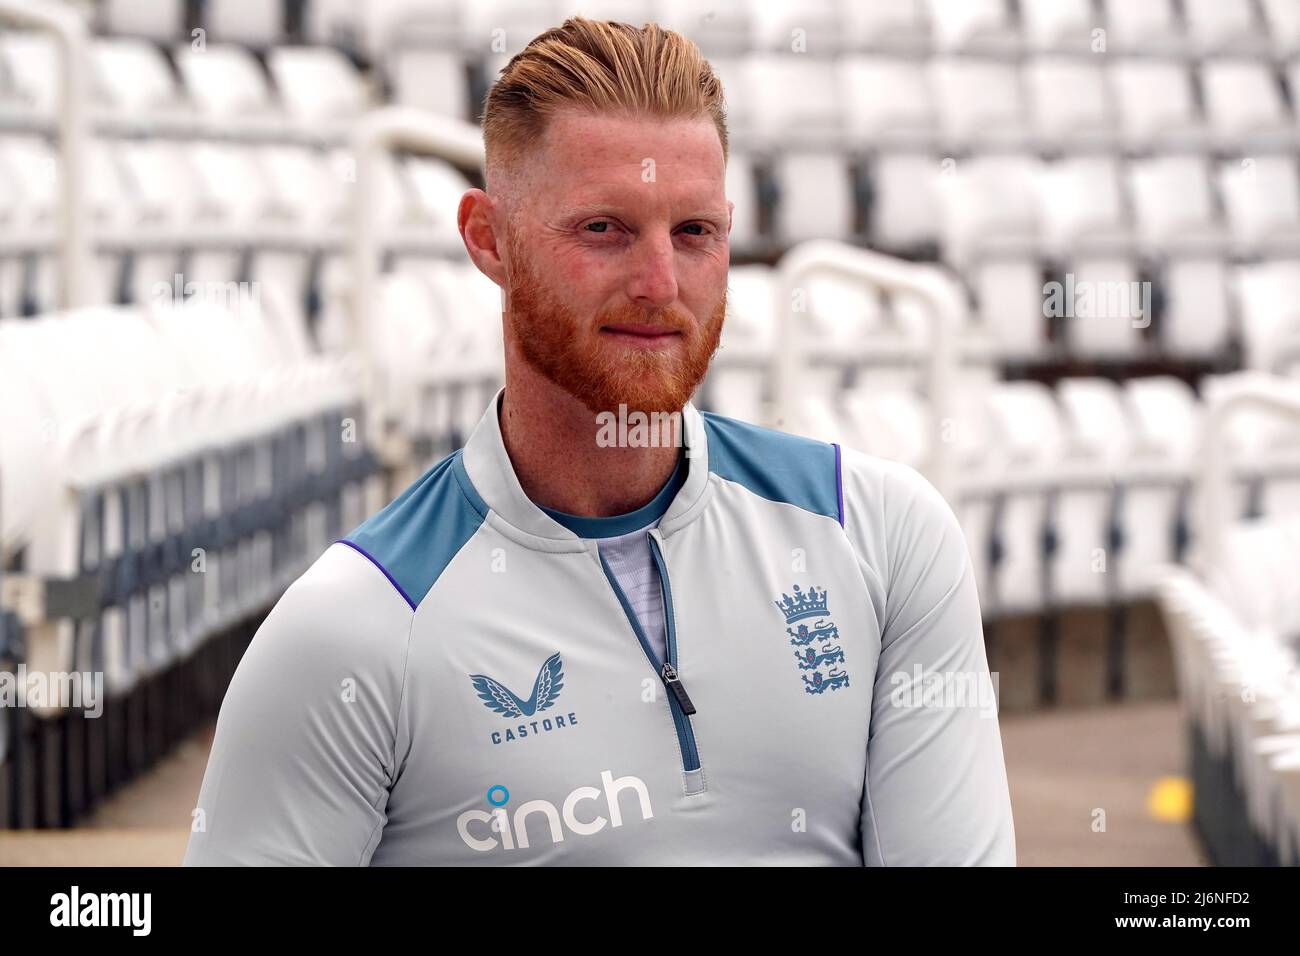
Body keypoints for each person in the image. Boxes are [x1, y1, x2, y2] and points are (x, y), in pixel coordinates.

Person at [183, 16, 1015, 866]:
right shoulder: (353, 627)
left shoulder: (883, 535)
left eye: (694, 232)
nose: (660, 285)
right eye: (604, 230)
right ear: (488, 239)